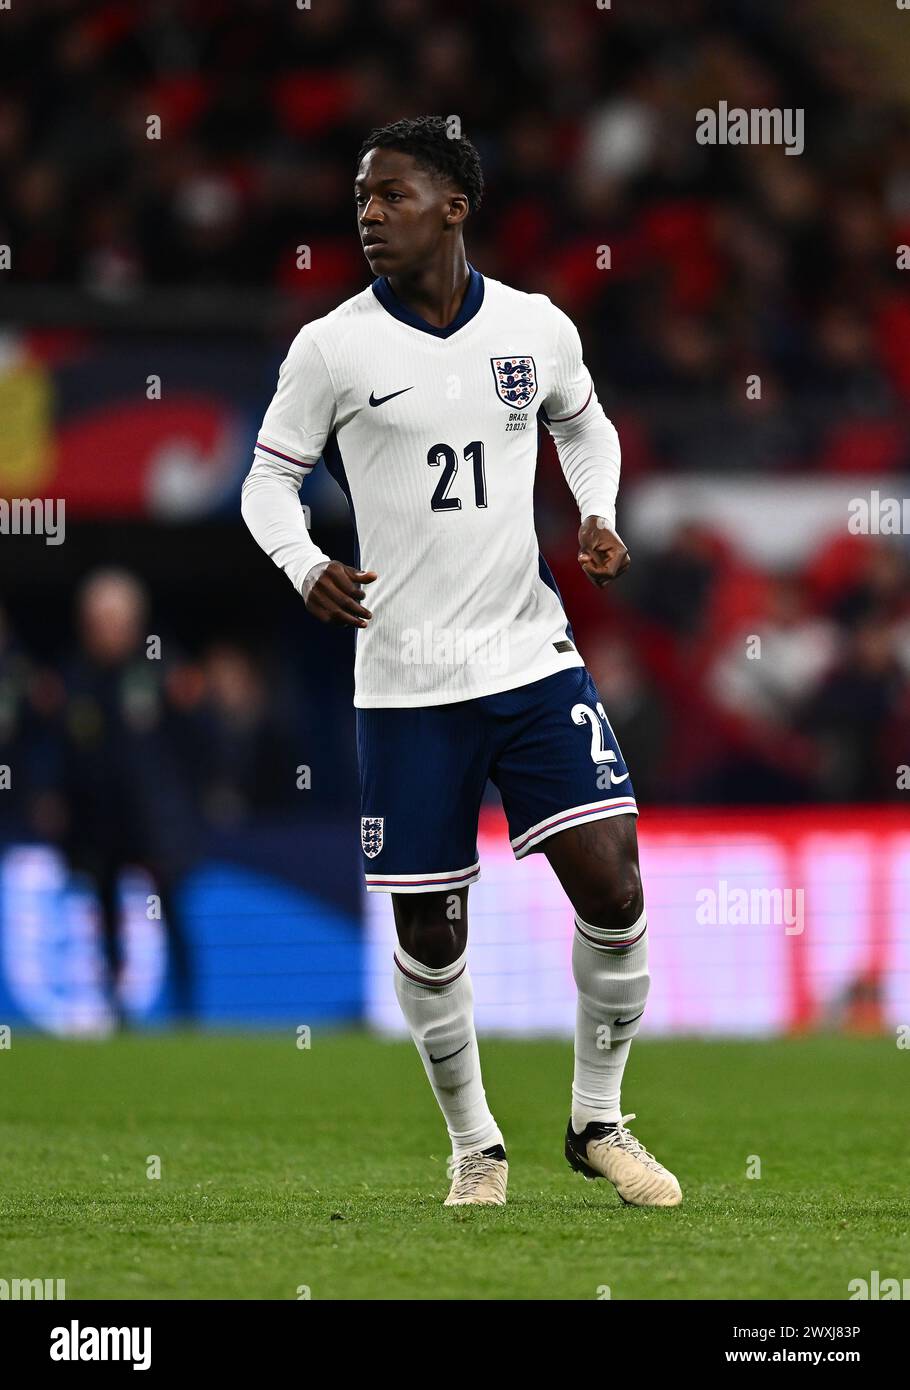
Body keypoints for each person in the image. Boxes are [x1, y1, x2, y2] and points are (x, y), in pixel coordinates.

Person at [242, 116, 680, 1208]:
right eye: (359, 198)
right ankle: (476, 1144)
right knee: (431, 931)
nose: (368, 214)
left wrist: (596, 510)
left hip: (528, 656)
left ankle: (598, 1118)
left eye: (389, 195)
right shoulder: (332, 347)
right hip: (404, 682)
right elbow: (265, 485)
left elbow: (587, 426)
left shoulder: (534, 329)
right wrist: (303, 562)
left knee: (616, 884)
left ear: (453, 206)